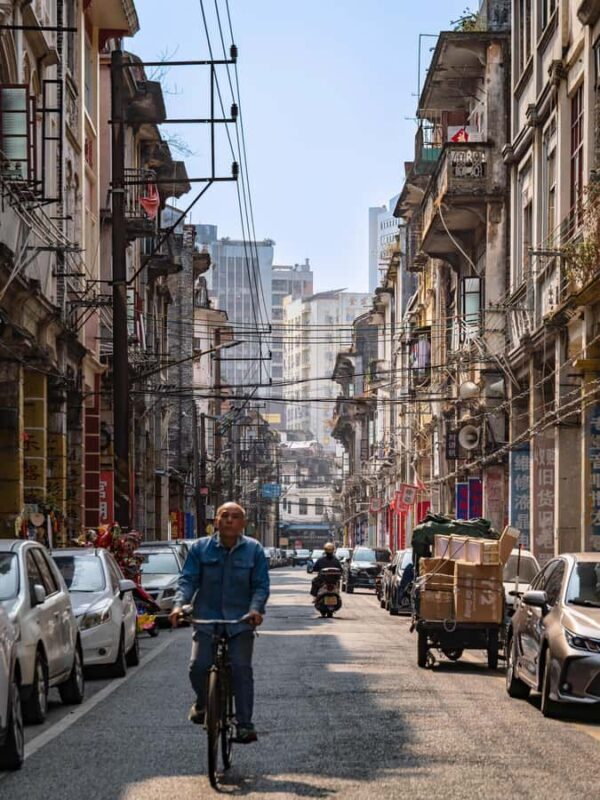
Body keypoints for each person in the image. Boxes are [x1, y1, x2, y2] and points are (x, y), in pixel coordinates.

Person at [169, 502, 270, 744]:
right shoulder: (200, 549)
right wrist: (178, 605)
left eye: (235, 517)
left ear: (243, 524)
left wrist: (255, 610)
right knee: (198, 666)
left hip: (240, 621)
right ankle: (204, 703)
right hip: (207, 619)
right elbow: (188, 580)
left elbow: (260, 586)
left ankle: (244, 724)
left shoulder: (254, 550)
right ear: (216, 521)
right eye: (224, 516)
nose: (229, 520)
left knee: (241, 670)